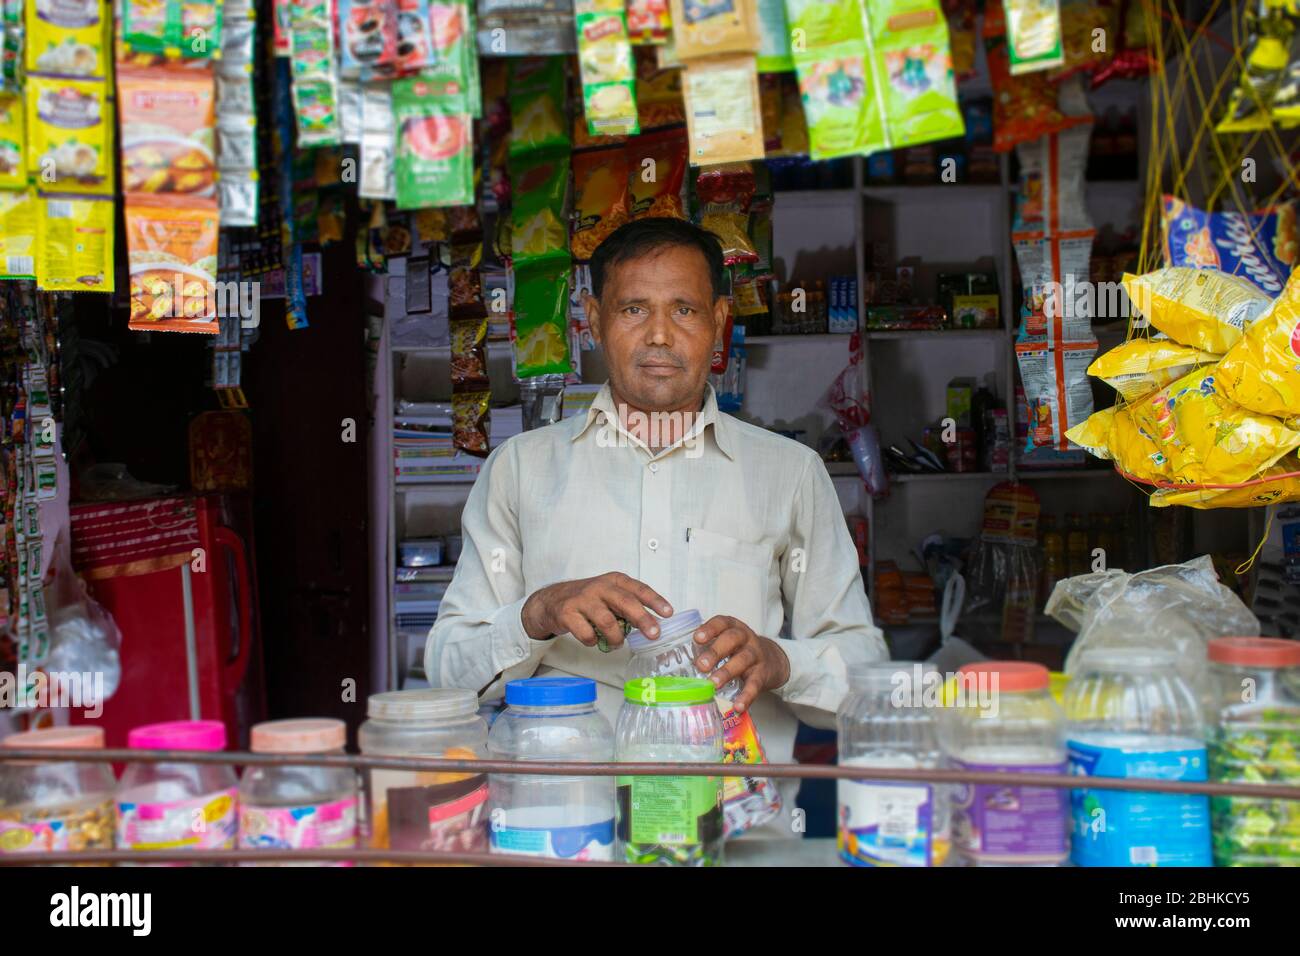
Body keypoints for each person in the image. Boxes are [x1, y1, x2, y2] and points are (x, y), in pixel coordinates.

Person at [426, 217, 886, 839]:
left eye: (686, 310)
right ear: (592, 317)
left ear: (720, 321)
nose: (661, 335)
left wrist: (779, 661)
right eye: (634, 309)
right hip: (562, 833)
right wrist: (537, 613)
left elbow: (867, 677)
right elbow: (448, 673)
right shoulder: (520, 470)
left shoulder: (791, 473)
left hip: (735, 838)